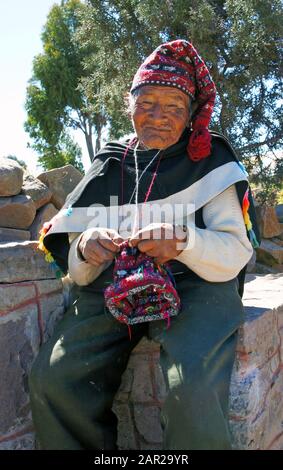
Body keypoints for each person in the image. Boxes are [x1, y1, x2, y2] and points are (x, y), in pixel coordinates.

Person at [29, 39, 260, 450]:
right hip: (115, 284)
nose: (158, 117)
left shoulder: (212, 159)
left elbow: (236, 251)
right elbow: (72, 254)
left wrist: (183, 242)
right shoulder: (111, 161)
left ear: (190, 116)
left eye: (174, 108)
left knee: (191, 386)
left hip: (198, 286)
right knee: (56, 378)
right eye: (147, 103)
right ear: (127, 104)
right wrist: (87, 247)